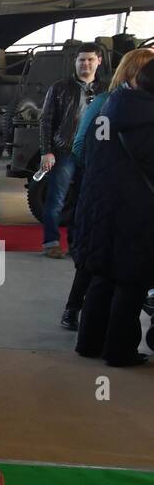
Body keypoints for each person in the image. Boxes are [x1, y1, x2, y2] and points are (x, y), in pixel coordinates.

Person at [60, 47, 154, 330]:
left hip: (107, 195)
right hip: (111, 195)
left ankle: (88, 330)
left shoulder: (115, 102)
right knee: (101, 267)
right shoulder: (108, 103)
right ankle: (73, 308)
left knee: (101, 266)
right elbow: (80, 147)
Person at [38, 42, 102, 258]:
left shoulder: (105, 90)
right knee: (57, 199)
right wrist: (46, 151)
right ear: (75, 62)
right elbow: (46, 121)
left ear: (98, 61)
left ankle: (77, 244)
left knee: (85, 201)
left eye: (90, 59)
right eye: (81, 59)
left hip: (92, 153)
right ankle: (51, 242)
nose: (85, 63)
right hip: (64, 151)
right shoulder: (59, 88)